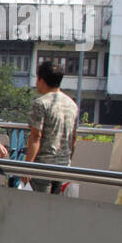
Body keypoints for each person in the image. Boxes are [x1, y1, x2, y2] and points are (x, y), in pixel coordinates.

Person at [25, 60, 79, 194]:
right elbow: (74, 139)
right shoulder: (72, 105)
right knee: (55, 209)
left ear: (41, 80)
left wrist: (27, 166)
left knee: (39, 208)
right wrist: (68, 159)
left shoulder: (41, 103)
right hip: (64, 166)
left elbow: (36, 136)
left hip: (43, 167)